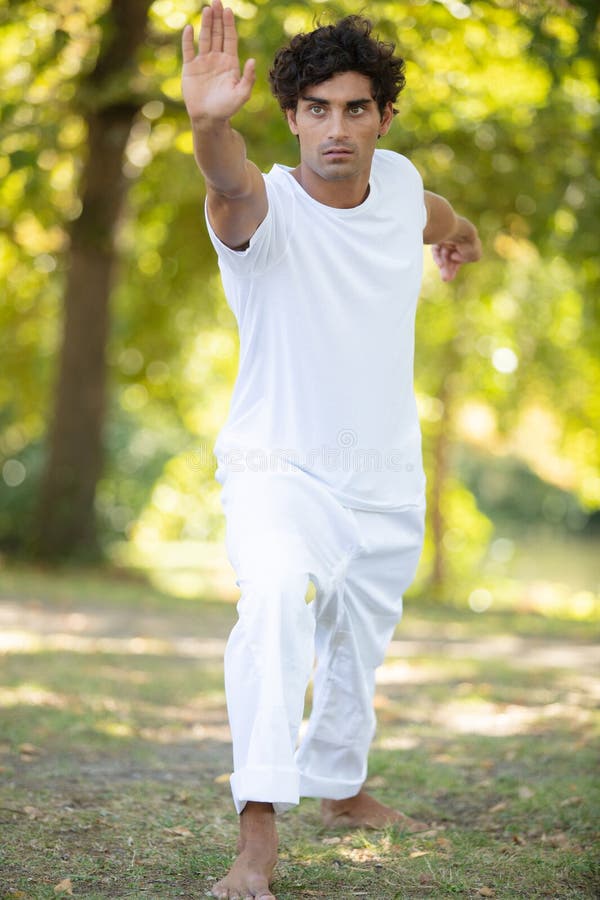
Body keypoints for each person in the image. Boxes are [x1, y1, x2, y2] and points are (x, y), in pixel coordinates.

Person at [181, 3, 481, 898]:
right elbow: (228, 183)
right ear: (292, 117)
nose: (336, 127)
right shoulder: (261, 210)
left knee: (358, 640)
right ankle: (257, 836)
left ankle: (342, 785)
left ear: (384, 117)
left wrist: (462, 236)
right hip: (279, 469)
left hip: (385, 472)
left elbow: (431, 212)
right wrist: (206, 126)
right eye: (317, 108)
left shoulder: (396, 184)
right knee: (274, 602)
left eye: (355, 108)